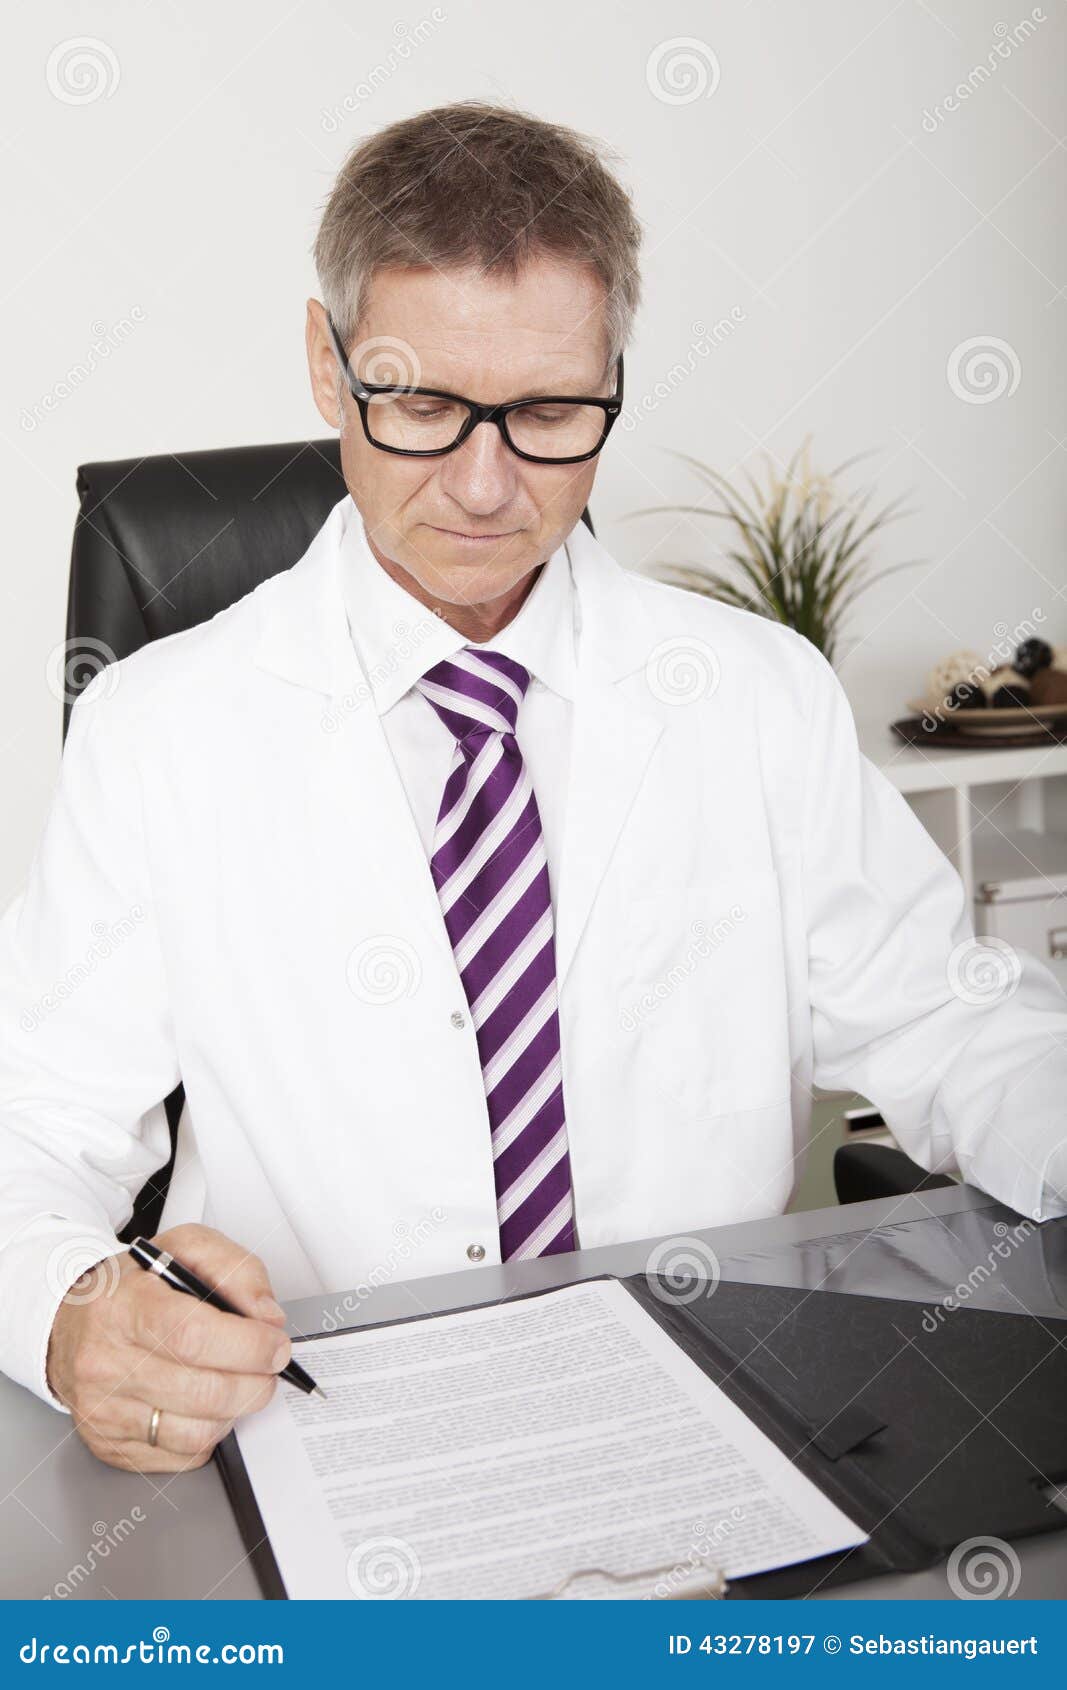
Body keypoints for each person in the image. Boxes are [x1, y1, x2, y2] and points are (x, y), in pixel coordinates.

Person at [2, 101, 1065, 1475]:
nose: (489, 484)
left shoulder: (754, 693)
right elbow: (28, 1129)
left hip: (715, 1433)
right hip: (331, 1440)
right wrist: (75, 1316)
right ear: (328, 368)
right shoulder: (159, 731)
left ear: (614, 373)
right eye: (426, 404)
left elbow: (947, 1021)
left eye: (554, 410)